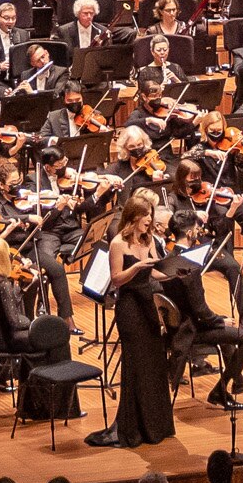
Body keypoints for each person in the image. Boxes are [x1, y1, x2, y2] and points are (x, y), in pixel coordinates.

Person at [89, 191, 177, 449]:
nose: (149, 223)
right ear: (133, 218)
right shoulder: (118, 243)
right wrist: (136, 267)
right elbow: (116, 279)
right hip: (129, 307)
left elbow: (154, 272)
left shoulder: (147, 239)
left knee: (154, 365)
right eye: (145, 218)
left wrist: (174, 274)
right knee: (136, 366)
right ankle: (133, 428)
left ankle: (156, 426)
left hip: (147, 303)